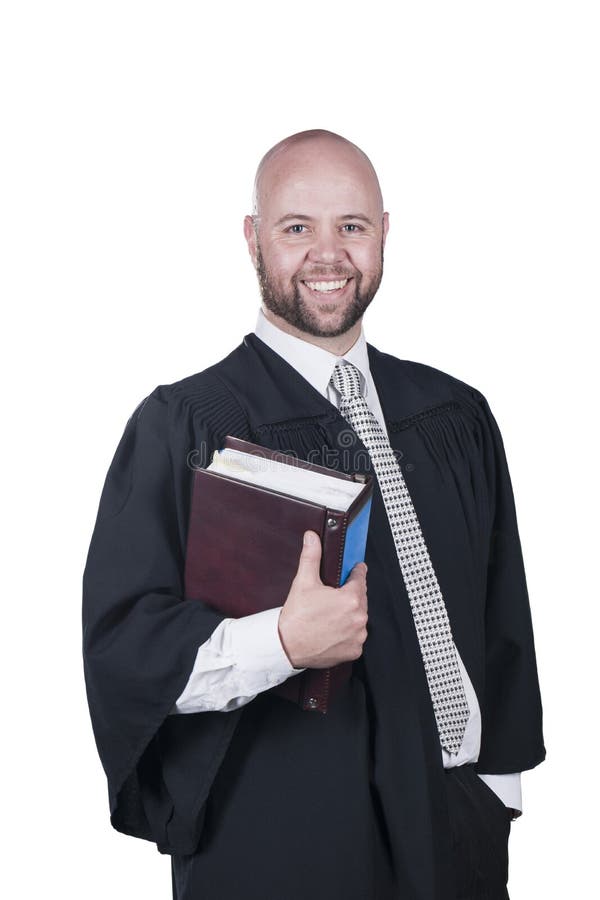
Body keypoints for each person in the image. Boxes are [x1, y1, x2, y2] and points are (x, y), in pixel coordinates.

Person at [82, 129, 545, 900]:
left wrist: (495, 797)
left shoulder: (454, 414)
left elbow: (504, 626)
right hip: (278, 846)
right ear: (253, 238)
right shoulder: (186, 426)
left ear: (385, 233)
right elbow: (125, 653)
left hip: (453, 842)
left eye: (351, 227)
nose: (327, 255)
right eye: (297, 228)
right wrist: (284, 643)